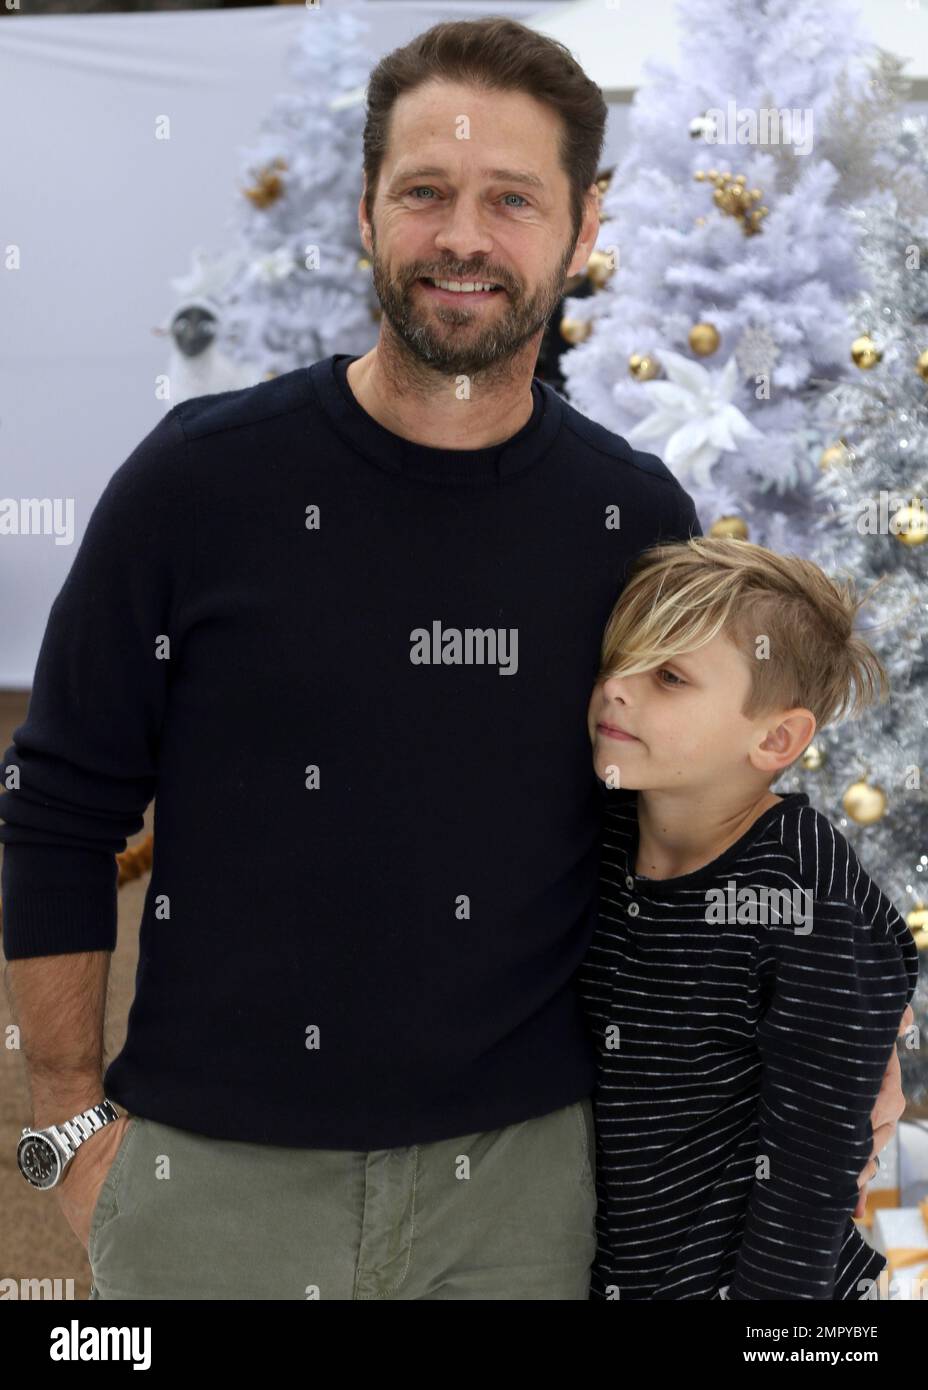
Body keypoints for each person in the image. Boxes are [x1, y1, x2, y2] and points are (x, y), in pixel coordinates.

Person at [0, 19, 903, 1301]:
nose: (463, 238)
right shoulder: (197, 483)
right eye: (424, 191)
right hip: (213, 1183)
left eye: (512, 200)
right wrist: (67, 1116)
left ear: (583, 228)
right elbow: (57, 806)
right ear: (367, 211)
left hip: (527, 1194)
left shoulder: (629, 515)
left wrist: (850, 1003)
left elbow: (706, 799)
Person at [578, 538, 919, 1300]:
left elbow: (816, 1156)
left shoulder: (800, 883)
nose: (615, 689)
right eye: (617, 660)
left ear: (776, 739)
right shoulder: (602, 839)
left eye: (669, 677)